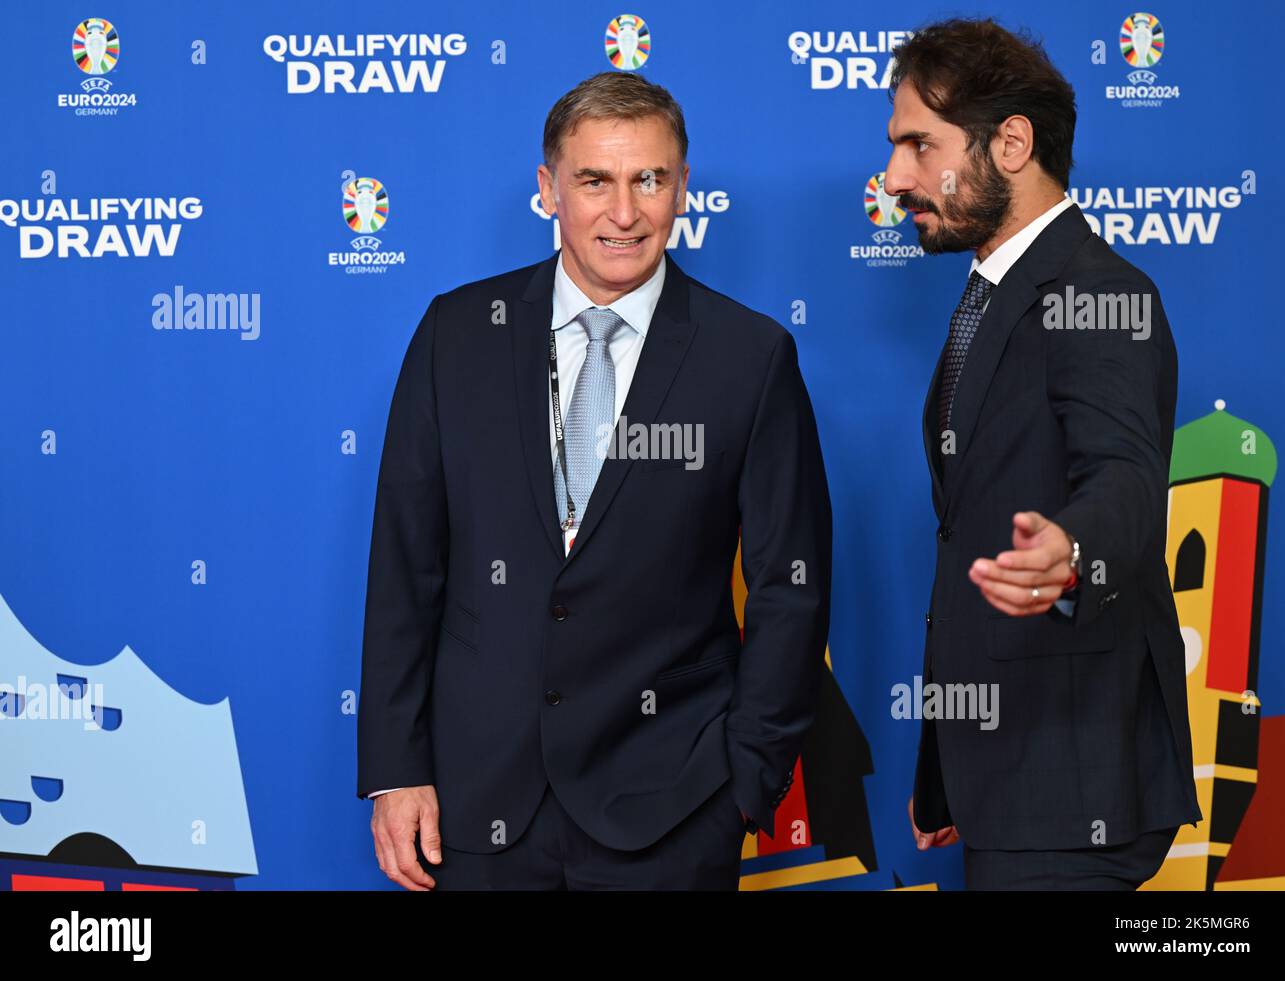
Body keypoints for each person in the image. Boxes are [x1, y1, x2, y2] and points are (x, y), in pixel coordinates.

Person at [357, 71, 832, 890]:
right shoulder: (457, 335)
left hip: (673, 809)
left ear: (683, 187)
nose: (624, 212)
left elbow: (791, 585)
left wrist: (744, 785)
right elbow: (406, 565)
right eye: (594, 181)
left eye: (649, 179)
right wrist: (396, 770)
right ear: (548, 190)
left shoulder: (749, 358)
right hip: (477, 810)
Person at [883, 18, 1202, 889]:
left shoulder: (1099, 292)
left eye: (919, 144)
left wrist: (1073, 551)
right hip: (1009, 769)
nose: (894, 179)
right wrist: (945, 772)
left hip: (1072, 778)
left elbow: (1128, 478)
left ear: (1011, 143)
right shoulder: (993, 291)